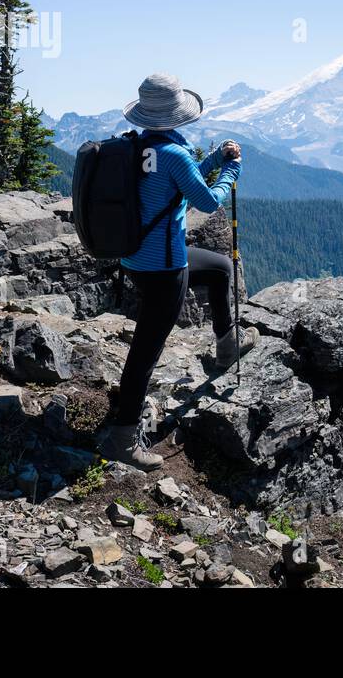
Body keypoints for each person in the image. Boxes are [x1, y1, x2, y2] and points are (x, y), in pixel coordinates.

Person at [100, 72, 258, 470]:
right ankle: (122, 438)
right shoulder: (173, 154)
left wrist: (215, 158)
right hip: (165, 267)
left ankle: (227, 345)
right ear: (176, 114)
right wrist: (231, 172)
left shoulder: (135, 147)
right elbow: (205, 201)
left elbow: (176, 183)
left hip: (135, 258)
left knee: (219, 268)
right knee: (146, 351)